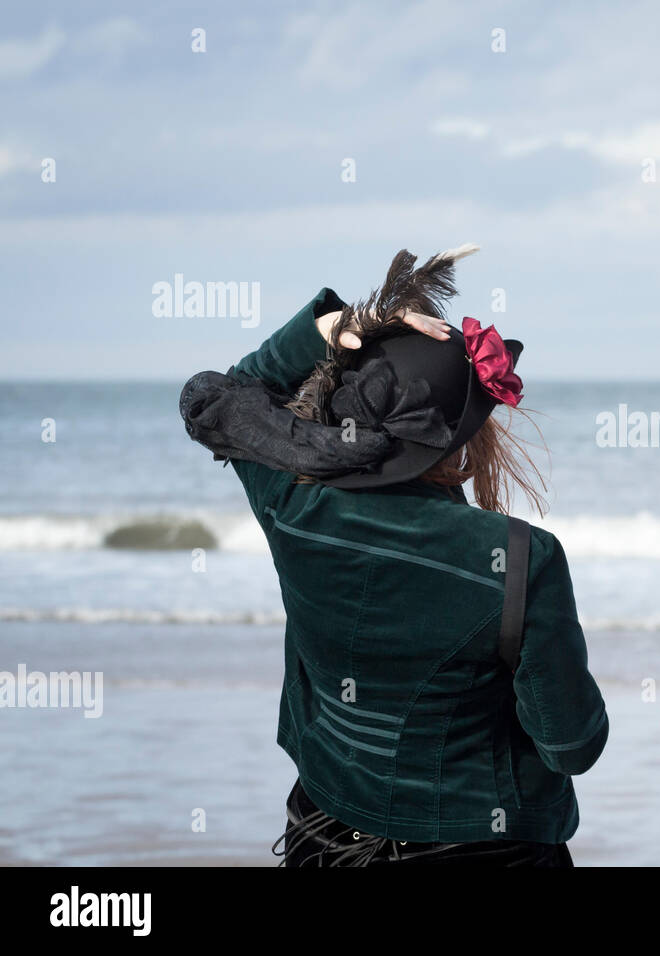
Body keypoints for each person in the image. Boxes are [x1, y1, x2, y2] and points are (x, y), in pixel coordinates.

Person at [179, 247, 609, 866]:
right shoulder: (521, 558)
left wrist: (334, 327)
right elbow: (571, 747)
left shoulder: (288, 501)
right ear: (463, 440)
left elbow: (217, 398)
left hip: (324, 838)